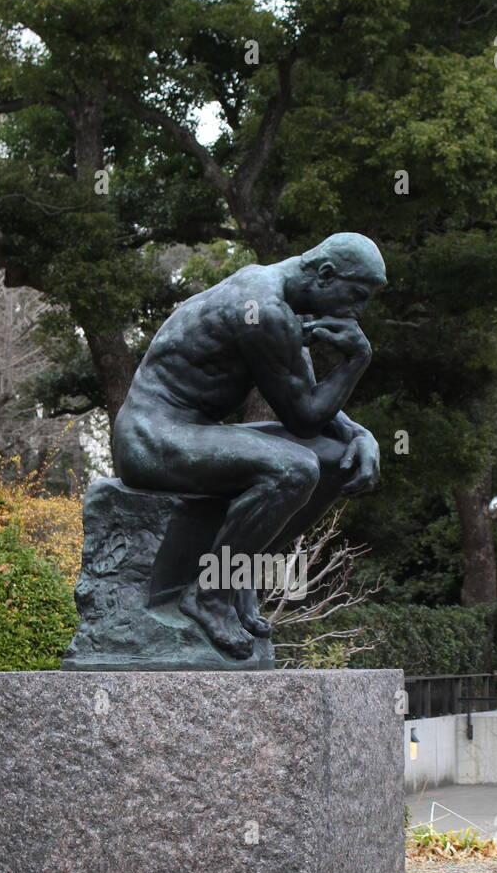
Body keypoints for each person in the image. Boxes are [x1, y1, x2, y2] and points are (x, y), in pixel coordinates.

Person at [113, 232, 387, 659]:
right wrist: (357, 362)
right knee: (294, 468)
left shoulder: (279, 300)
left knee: (337, 460)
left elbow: (303, 392)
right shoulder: (264, 308)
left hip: (194, 430)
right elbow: (304, 417)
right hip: (151, 436)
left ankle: (240, 574)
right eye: (356, 295)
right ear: (326, 274)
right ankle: (210, 595)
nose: (359, 311)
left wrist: (358, 435)